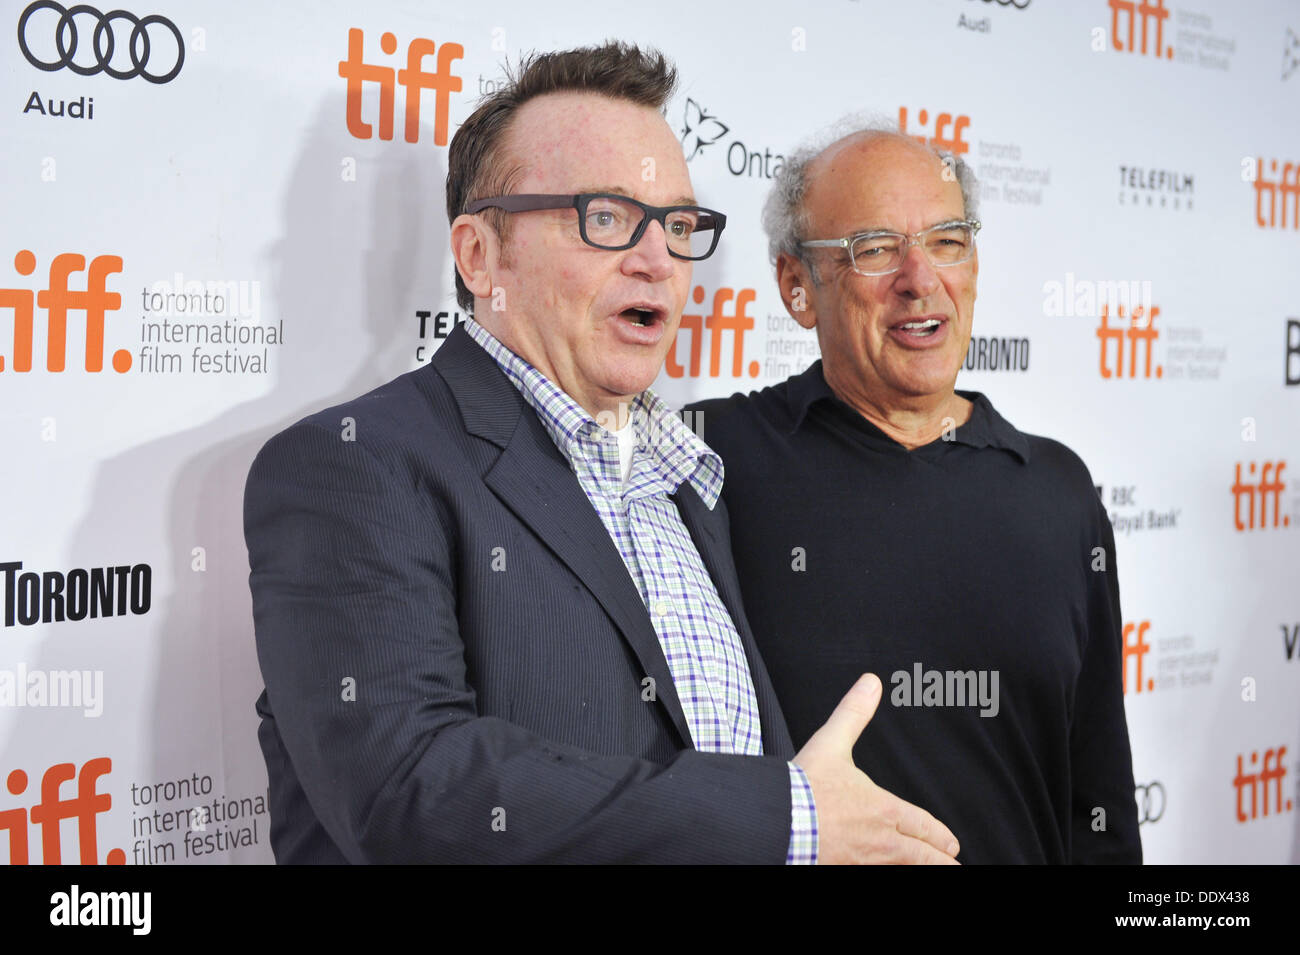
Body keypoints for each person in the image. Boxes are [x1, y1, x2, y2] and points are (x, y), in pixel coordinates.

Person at [244, 45, 961, 864]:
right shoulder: (356, 466)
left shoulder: (687, 478)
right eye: (607, 217)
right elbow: (411, 791)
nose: (658, 258)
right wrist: (785, 815)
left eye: (678, 224)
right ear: (480, 255)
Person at [688, 122, 1142, 863]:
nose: (920, 277)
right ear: (796, 287)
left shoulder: (1059, 491)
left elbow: (1099, 802)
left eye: (948, 240)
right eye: (873, 248)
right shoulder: (710, 460)